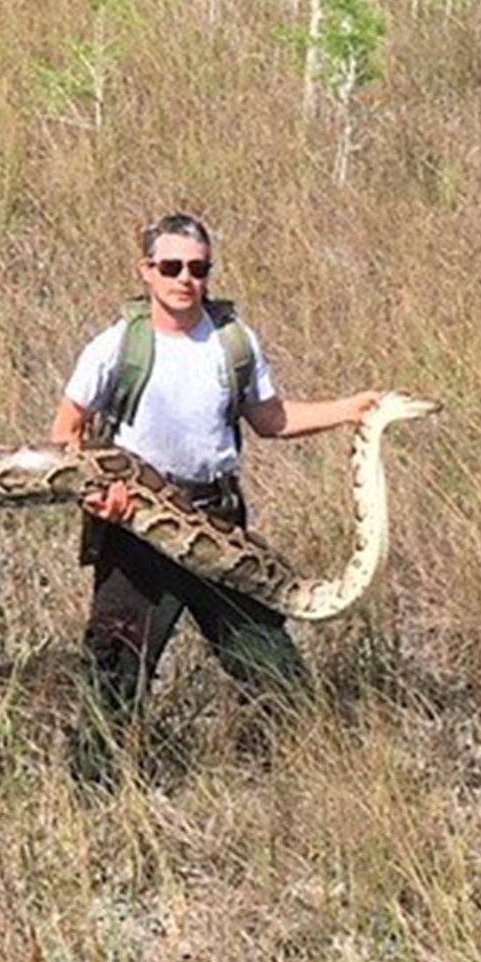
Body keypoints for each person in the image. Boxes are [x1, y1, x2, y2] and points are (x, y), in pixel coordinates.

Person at [48, 211, 379, 782]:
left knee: (272, 665)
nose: (185, 279)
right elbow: (66, 431)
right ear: (146, 271)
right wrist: (99, 497)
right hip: (136, 532)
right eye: (171, 267)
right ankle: (96, 799)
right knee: (115, 674)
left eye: (197, 269)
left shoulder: (232, 341)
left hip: (218, 525)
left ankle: (307, 779)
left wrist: (350, 410)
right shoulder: (116, 345)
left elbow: (270, 419)